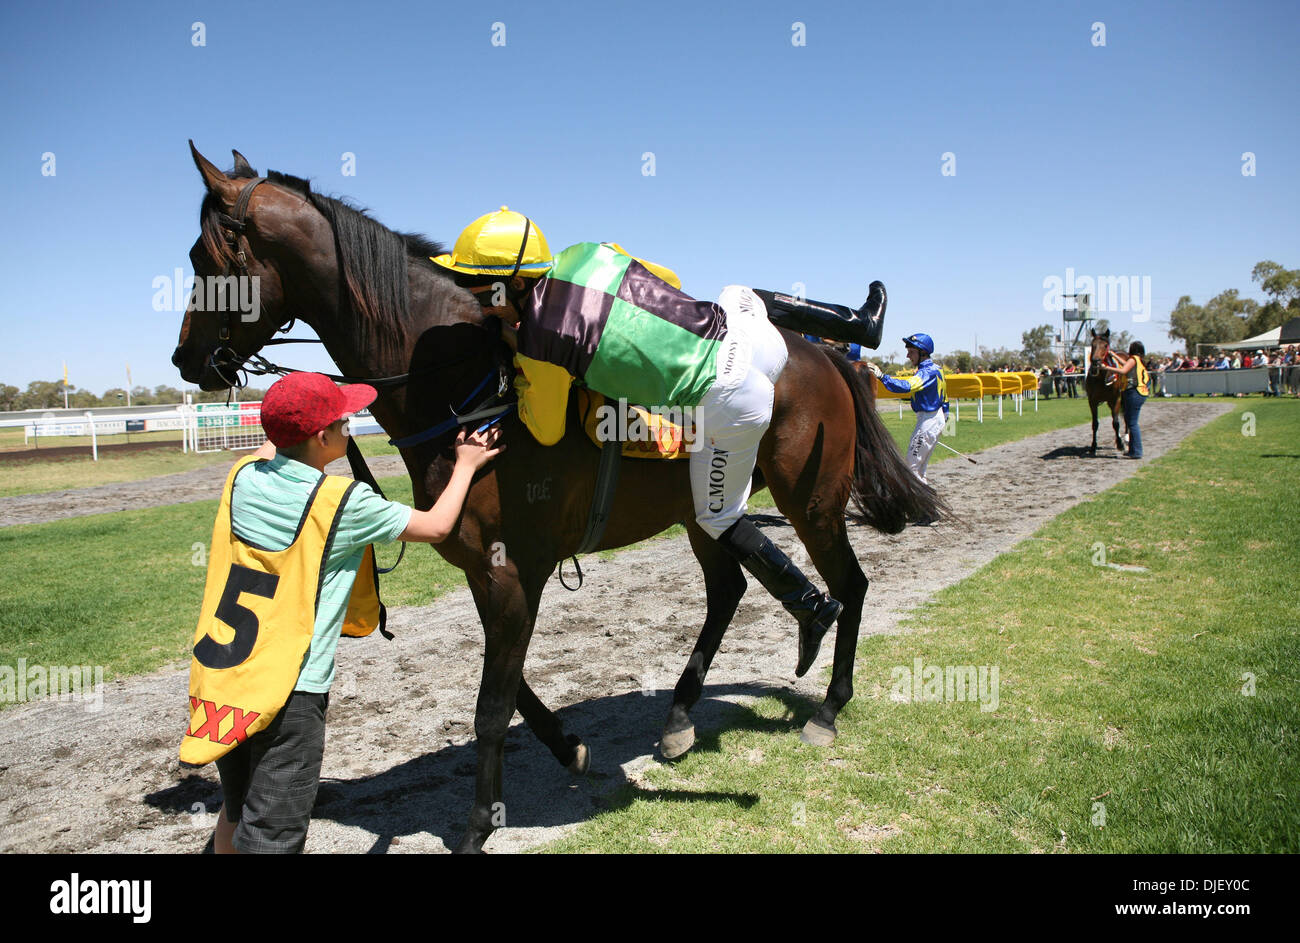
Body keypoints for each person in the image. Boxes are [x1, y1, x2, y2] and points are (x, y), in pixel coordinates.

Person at [430, 208, 886, 676]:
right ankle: (858, 323)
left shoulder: (540, 340)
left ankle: (808, 604)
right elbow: (665, 277)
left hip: (733, 398)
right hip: (750, 339)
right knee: (741, 294)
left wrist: (519, 350)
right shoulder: (588, 253)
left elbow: (545, 429)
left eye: (483, 292)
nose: (480, 306)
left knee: (716, 517)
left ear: (519, 284)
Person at [180, 371, 503, 853]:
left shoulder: (243, 474)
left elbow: (273, 448)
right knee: (272, 832)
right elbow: (437, 526)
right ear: (322, 436)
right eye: (342, 419)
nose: (350, 423)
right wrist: (465, 464)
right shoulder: (344, 501)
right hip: (288, 691)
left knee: (237, 806)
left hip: (223, 679)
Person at [865, 334, 948, 515]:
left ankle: (928, 511)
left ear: (922, 353)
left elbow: (906, 387)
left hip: (928, 419)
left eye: (911, 352)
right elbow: (945, 400)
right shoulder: (937, 369)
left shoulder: (927, 372)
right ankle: (925, 508)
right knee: (918, 469)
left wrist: (881, 376)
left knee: (910, 468)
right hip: (933, 419)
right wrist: (942, 423)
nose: (908, 356)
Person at [1099, 341, 1149, 458]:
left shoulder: (1133, 359)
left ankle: (1137, 451)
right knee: (1130, 421)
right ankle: (1133, 450)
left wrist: (1106, 367)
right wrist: (1114, 355)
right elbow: (1125, 364)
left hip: (1134, 392)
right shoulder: (1138, 360)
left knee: (1132, 423)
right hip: (1139, 392)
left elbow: (1123, 370)